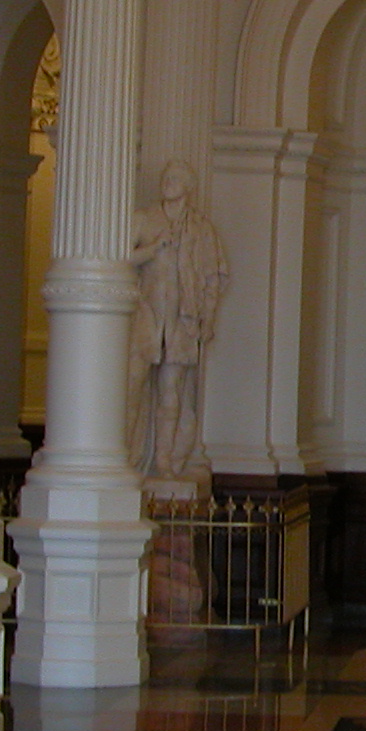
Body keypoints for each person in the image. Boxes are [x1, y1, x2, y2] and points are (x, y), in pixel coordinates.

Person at [128, 159, 230, 489]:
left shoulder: (200, 230)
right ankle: (126, 456)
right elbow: (120, 258)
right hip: (146, 316)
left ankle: (164, 462)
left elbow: (213, 278)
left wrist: (208, 319)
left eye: (175, 179)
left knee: (171, 394)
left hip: (182, 321)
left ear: (188, 187)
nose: (168, 183)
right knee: (132, 387)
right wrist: (153, 248)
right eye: (166, 177)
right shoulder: (144, 220)